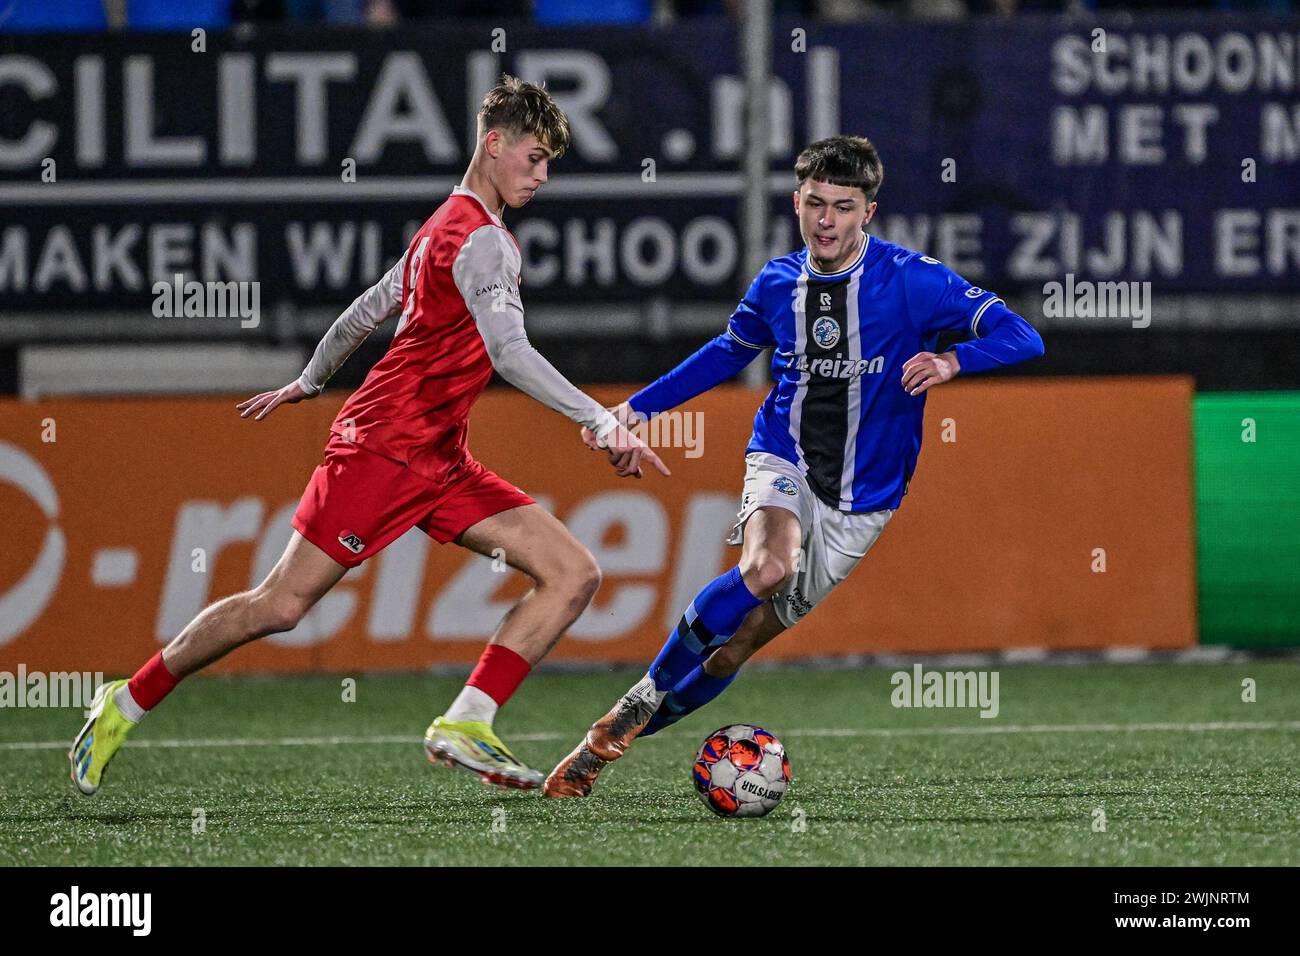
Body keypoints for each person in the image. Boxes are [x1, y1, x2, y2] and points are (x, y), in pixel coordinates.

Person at [70, 75, 667, 797]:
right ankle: (123, 702)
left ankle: (465, 721)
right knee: (280, 607)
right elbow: (509, 353)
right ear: (494, 144)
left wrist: (311, 380)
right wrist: (602, 420)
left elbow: (364, 311)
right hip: (383, 448)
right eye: (534, 158)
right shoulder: (483, 242)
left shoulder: (441, 227)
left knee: (574, 574)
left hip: (440, 460)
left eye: (549, 164)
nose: (541, 177)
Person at [545, 134, 1044, 797]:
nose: (826, 220)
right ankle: (641, 696)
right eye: (814, 204)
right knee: (765, 567)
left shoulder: (915, 281)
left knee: (738, 644)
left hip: (865, 499)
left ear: (868, 211)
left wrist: (955, 360)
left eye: (842, 206)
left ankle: (597, 751)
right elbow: (727, 353)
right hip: (784, 455)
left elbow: (1023, 334)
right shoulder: (778, 283)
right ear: (796, 202)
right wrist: (638, 409)